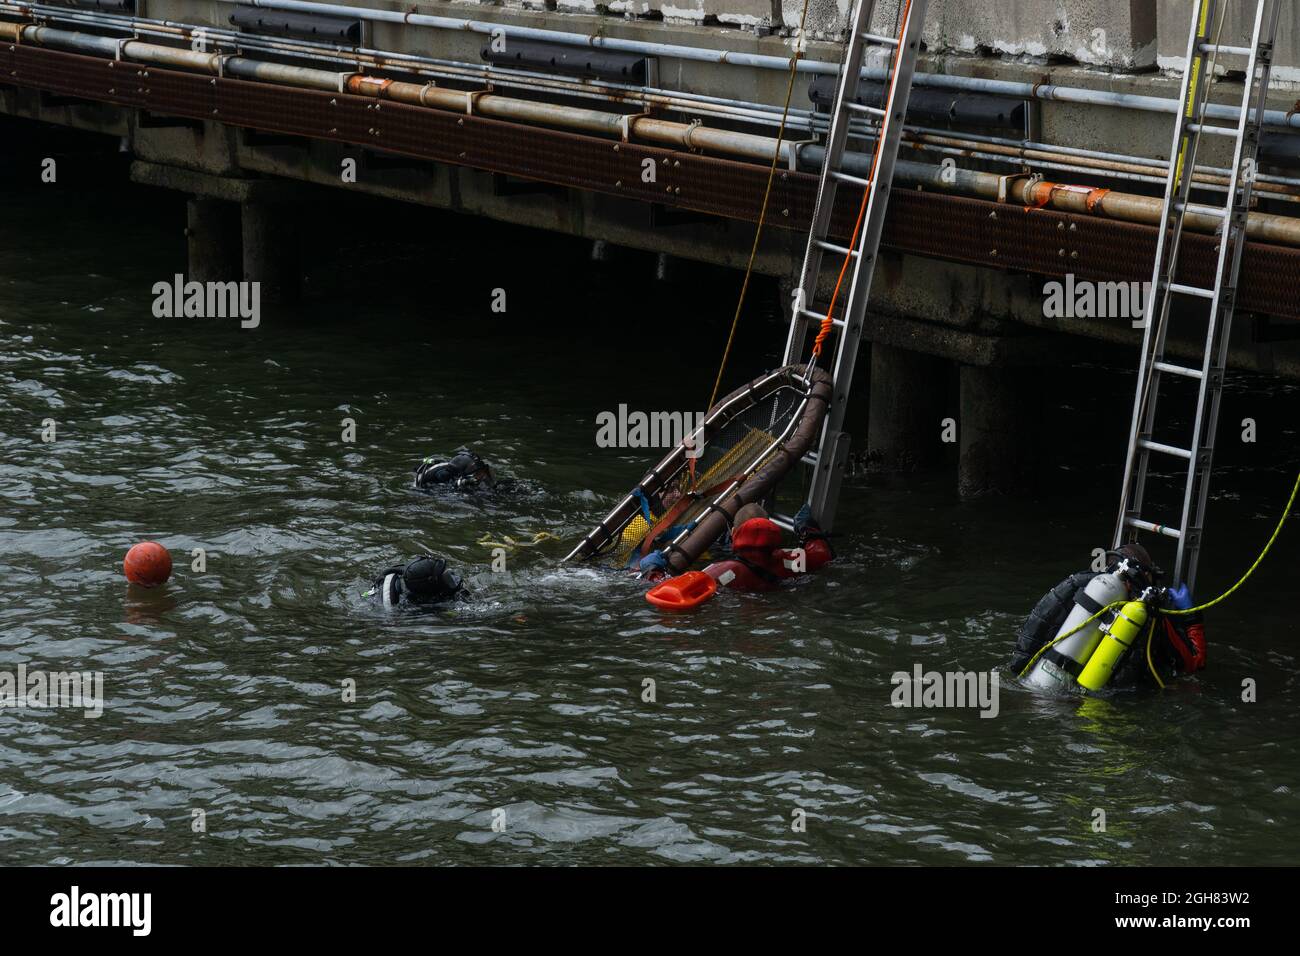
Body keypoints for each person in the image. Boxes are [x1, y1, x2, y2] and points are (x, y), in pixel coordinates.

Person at [1011, 542, 1206, 688]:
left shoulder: (1080, 585)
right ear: (1144, 575)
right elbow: (1193, 662)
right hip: (1102, 698)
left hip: (1038, 682)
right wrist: (1191, 618)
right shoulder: (1147, 614)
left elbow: (1034, 629)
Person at [700, 503, 833, 592]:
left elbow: (686, 591)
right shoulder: (791, 561)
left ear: (734, 532)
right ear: (770, 528)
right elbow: (821, 553)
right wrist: (806, 527)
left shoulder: (724, 572)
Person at [364, 554, 467, 609]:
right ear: (430, 587)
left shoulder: (412, 583)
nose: (451, 575)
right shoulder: (426, 605)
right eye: (442, 576)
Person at [414, 448, 493, 491]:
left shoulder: (464, 474)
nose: (482, 476)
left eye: (482, 473)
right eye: (478, 474)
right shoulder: (442, 475)